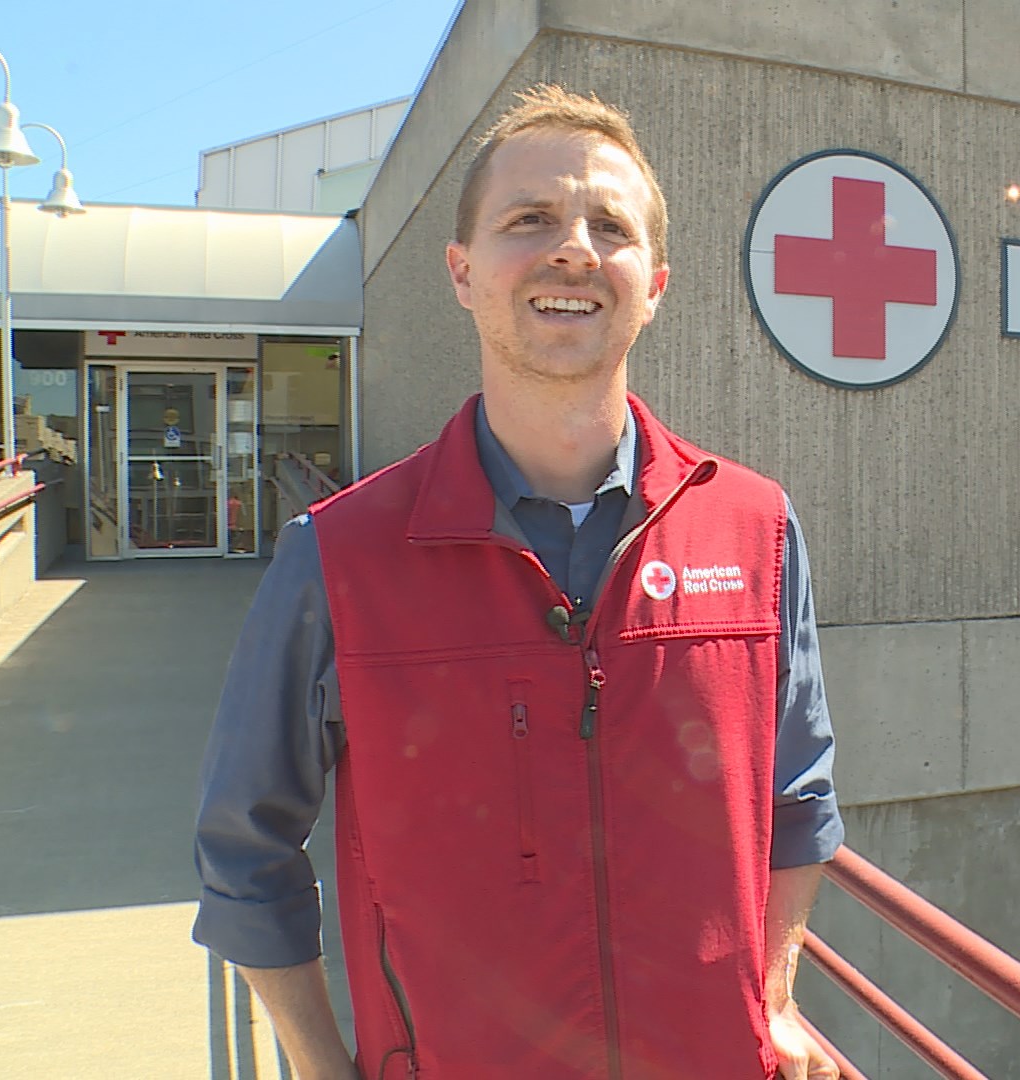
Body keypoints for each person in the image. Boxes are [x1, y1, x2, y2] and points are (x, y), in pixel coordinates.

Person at [192, 85, 843, 1080]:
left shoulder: (755, 529)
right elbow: (246, 848)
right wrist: (323, 1065)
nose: (575, 248)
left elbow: (798, 798)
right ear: (462, 272)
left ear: (655, 282)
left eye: (609, 228)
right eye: (529, 219)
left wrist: (778, 999)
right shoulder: (339, 554)